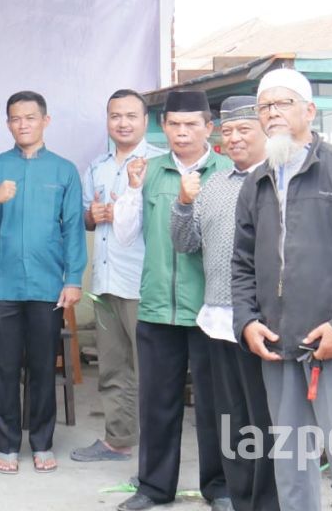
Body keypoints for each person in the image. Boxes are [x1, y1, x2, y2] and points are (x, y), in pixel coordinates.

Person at [231, 68, 332, 511]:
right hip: (278, 344)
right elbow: (241, 263)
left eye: (283, 103)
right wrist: (247, 322)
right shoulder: (257, 182)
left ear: (309, 111)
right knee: (291, 464)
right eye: (264, 106)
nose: (272, 113)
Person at [111, 90, 230, 511]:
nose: (182, 132)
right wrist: (132, 189)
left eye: (191, 124)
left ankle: (220, 486)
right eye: (174, 124)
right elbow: (125, 235)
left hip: (212, 309)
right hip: (158, 304)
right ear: (163, 127)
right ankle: (154, 487)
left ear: (208, 128)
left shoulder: (227, 172)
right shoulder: (147, 170)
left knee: (216, 403)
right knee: (158, 402)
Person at [0, 90, 86, 476]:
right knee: (3, 368)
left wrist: (73, 279)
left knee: (43, 367)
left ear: (45, 121)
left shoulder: (64, 171)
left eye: (30, 118)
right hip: (3, 285)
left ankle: (42, 442)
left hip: (47, 286)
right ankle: (8, 445)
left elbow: (73, 230)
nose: (23, 125)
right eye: (15, 118)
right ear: (8, 124)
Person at [166, 96, 279, 511]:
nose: (234, 138)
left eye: (244, 129)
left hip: (266, 322)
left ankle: (269, 500)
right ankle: (239, 495)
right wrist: (183, 202)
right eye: (228, 131)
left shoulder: (280, 182)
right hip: (217, 319)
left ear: (267, 131)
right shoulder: (214, 185)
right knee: (229, 417)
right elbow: (184, 244)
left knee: (265, 418)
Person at [72, 89, 163, 464]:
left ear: (145, 121)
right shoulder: (97, 166)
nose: (122, 123)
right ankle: (118, 440)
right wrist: (92, 216)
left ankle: (158, 453)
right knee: (113, 367)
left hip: (143, 283)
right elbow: (85, 219)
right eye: (115, 116)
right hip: (105, 282)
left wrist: (123, 211)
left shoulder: (160, 163)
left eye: (130, 116)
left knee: (151, 372)